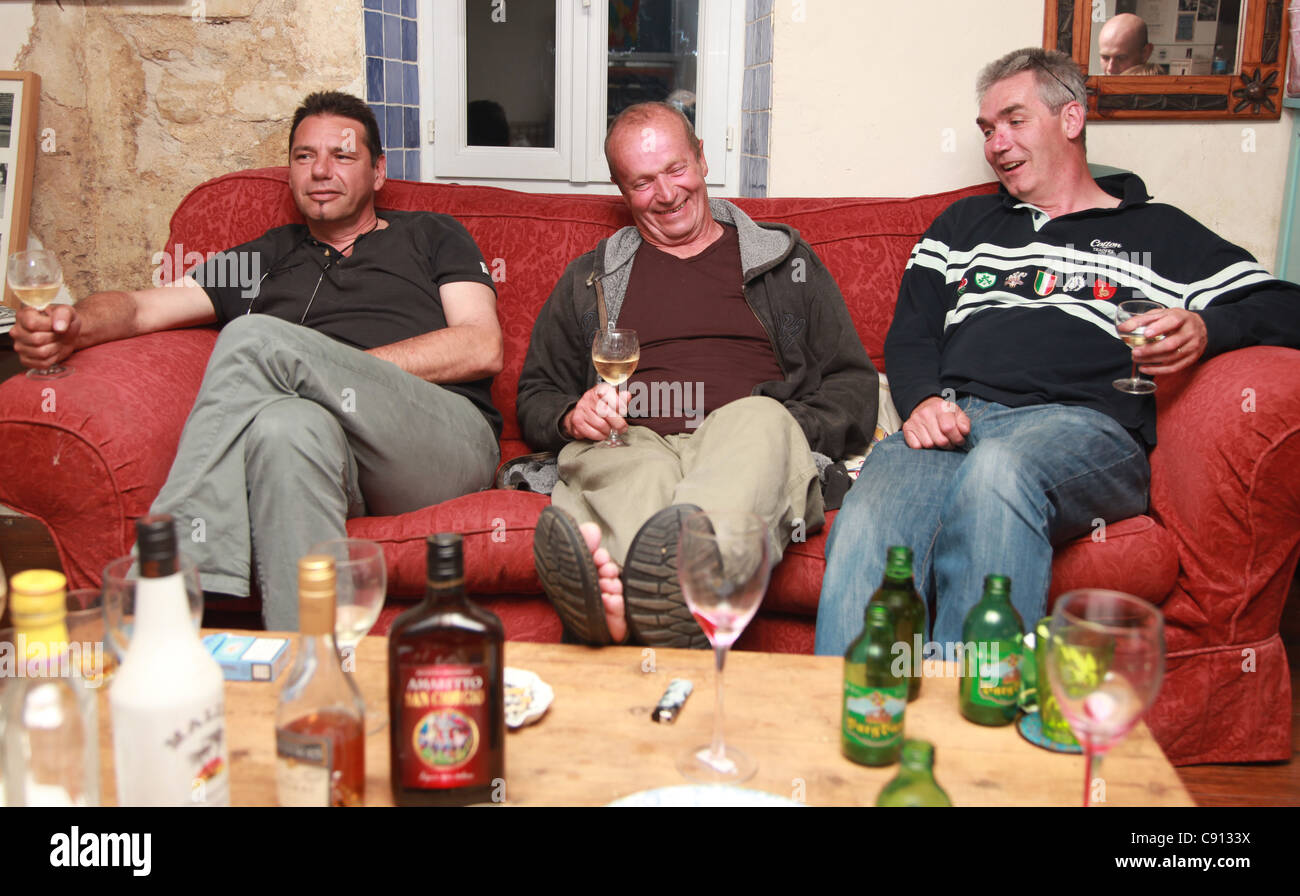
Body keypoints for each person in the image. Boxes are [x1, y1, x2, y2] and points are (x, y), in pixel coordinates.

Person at [815, 48, 1300, 656]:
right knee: (869, 515)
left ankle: (974, 720)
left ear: (1071, 119)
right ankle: (858, 719)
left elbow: (1287, 305)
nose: (996, 143)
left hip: (1082, 430)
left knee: (1000, 472)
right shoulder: (960, 227)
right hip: (957, 420)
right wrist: (921, 404)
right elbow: (912, 332)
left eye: (1014, 121)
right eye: (987, 129)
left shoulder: (1158, 232)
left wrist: (1208, 330)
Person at [12, 91, 503, 628]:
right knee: (282, 427)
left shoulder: (431, 235)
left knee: (256, 340)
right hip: (337, 459)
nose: (320, 171)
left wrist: (326, 369)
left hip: (441, 439)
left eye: (341, 156)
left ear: (378, 171)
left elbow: (481, 345)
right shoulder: (263, 258)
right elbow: (136, 310)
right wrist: (75, 324)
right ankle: (311, 664)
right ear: (289, 171)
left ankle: (162, 578)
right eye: (303, 156)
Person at [517, 101, 876, 648]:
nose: (666, 195)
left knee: (758, 421)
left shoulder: (785, 261)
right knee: (631, 468)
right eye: (642, 182)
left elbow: (853, 385)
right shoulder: (590, 277)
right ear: (621, 191)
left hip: (742, 436)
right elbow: (535, 393)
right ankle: (686, 613)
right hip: (632, 437)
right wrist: (572, 415)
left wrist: (788, 427)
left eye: (676, 169)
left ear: (703, 159)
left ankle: (633, 612)